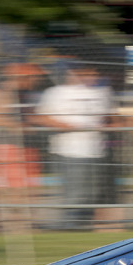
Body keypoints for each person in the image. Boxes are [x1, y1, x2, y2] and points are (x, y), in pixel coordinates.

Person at [33, 66, 113, 230]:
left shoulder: (102, 92)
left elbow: (109, 117)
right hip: (69, 150)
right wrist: (69, 127)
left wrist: (109, 126)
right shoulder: (56, 92)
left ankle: (82, 225)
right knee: (75, 192)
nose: (92, 77)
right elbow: (41, 117)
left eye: (94, 73)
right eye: (86, 73)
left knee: (92, 192)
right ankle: (69, 226)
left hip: (96, 150)